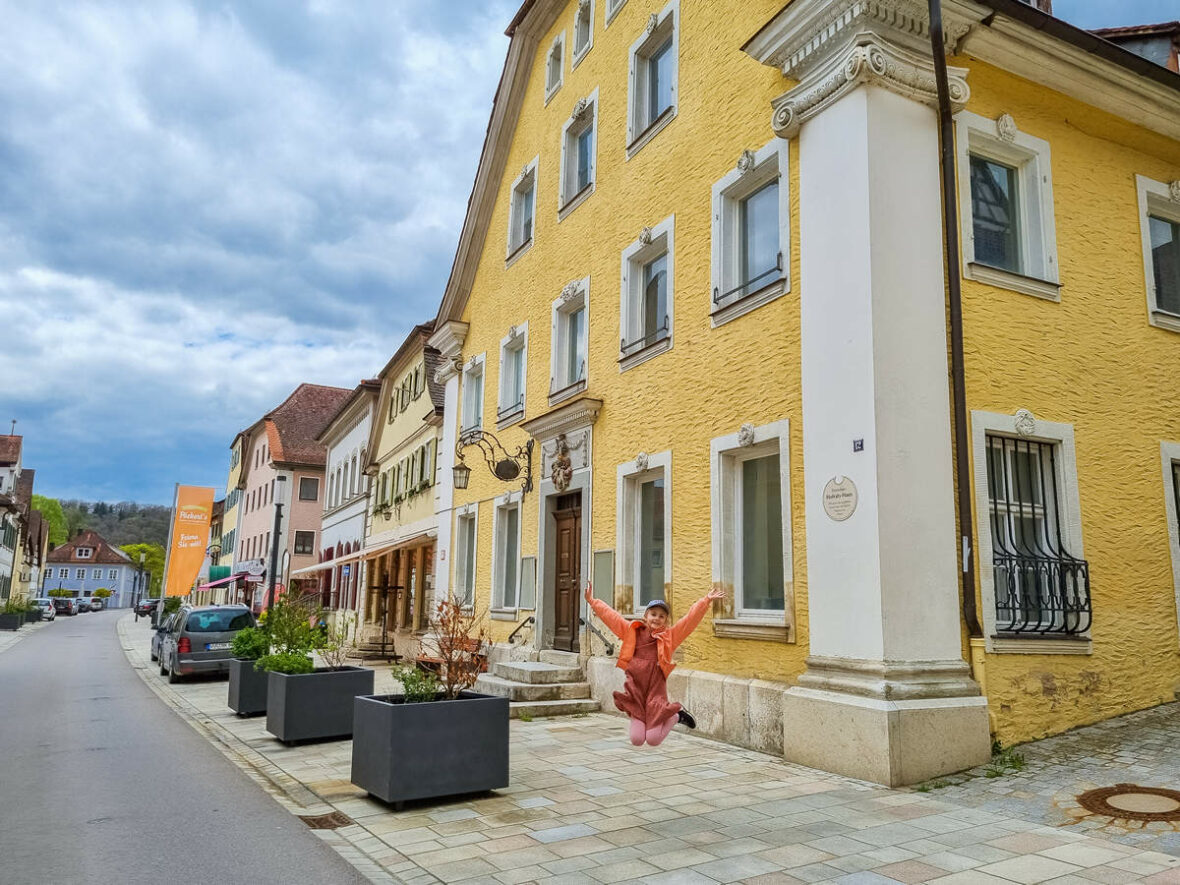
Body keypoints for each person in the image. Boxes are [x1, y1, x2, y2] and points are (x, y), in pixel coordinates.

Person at [583, 582, 726, 747]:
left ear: (665, 620)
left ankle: (676, 716)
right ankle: (670, 716)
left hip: (656, 694)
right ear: (646, 615)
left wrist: (706, 600)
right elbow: (612, 618)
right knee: (637, 740)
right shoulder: (632, 632)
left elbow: (689, 621)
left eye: (661, 616)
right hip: (635, 692)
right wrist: (593, 601)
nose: (657, 618)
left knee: (653, 739)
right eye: (653, 614)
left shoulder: (669, 638)